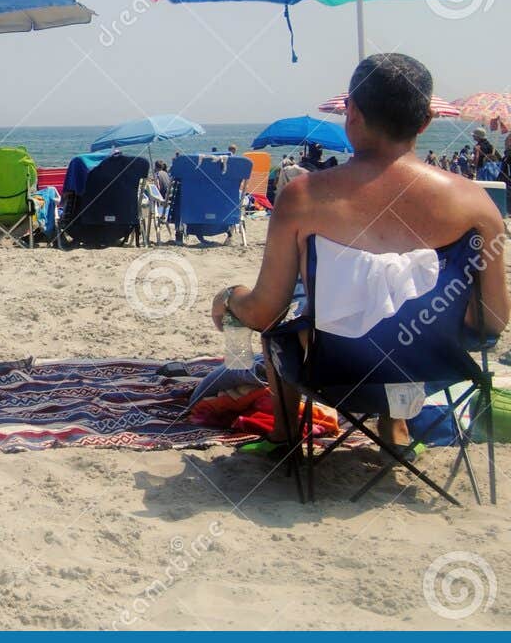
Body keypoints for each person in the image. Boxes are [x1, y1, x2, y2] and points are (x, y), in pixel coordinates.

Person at [211, 54, 507, 452]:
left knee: (284, 327)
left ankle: (286, 435)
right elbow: (493, 320)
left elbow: (265, 310)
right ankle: (397, 427)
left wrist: (229, 298)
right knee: (399, 304)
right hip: (434, 367)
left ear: (352, 114)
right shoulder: (475, 204)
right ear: (425, 122)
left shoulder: (304, 196)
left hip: (332, 369)